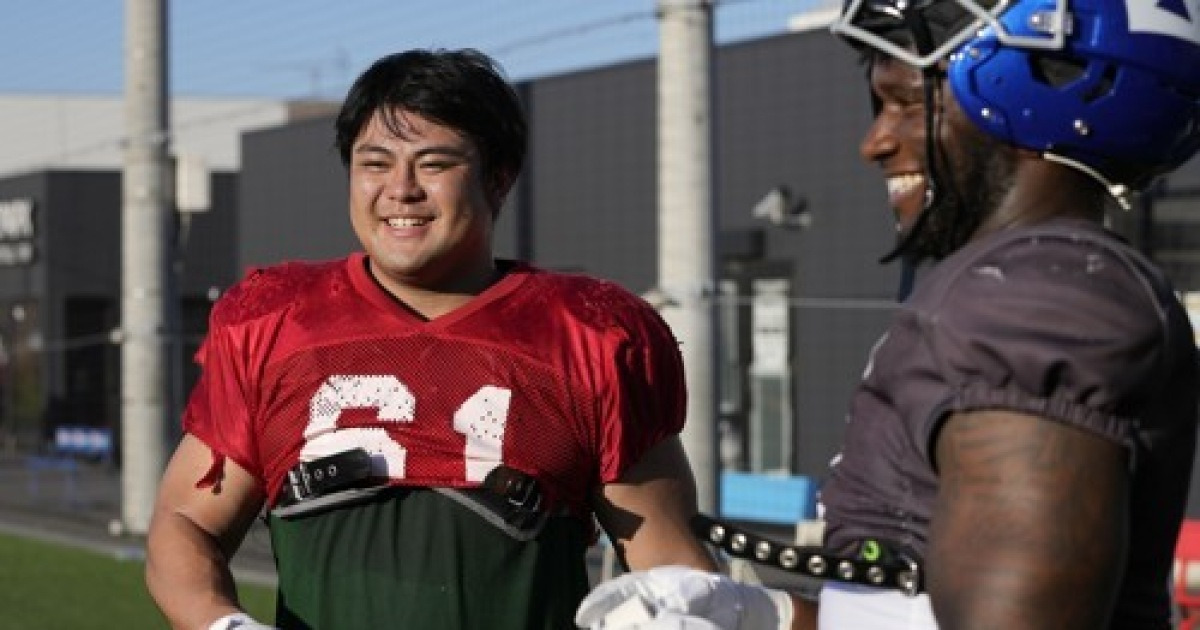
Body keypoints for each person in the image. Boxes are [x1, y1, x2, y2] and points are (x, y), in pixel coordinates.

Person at [575, 0, 1200, 628]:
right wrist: (770, 616)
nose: (876, 142)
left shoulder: (1037, 297)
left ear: (1028, 96)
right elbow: (928, 600)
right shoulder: (1031, 280)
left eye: (905, 102)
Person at [144, 48, 718, 630]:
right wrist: (222, 624)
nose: (400, 189)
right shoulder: (272, 321)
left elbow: (669, 564)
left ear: (498, 177)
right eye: (375, 163)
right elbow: (187, 521)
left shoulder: (593, 334)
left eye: (434, 164)